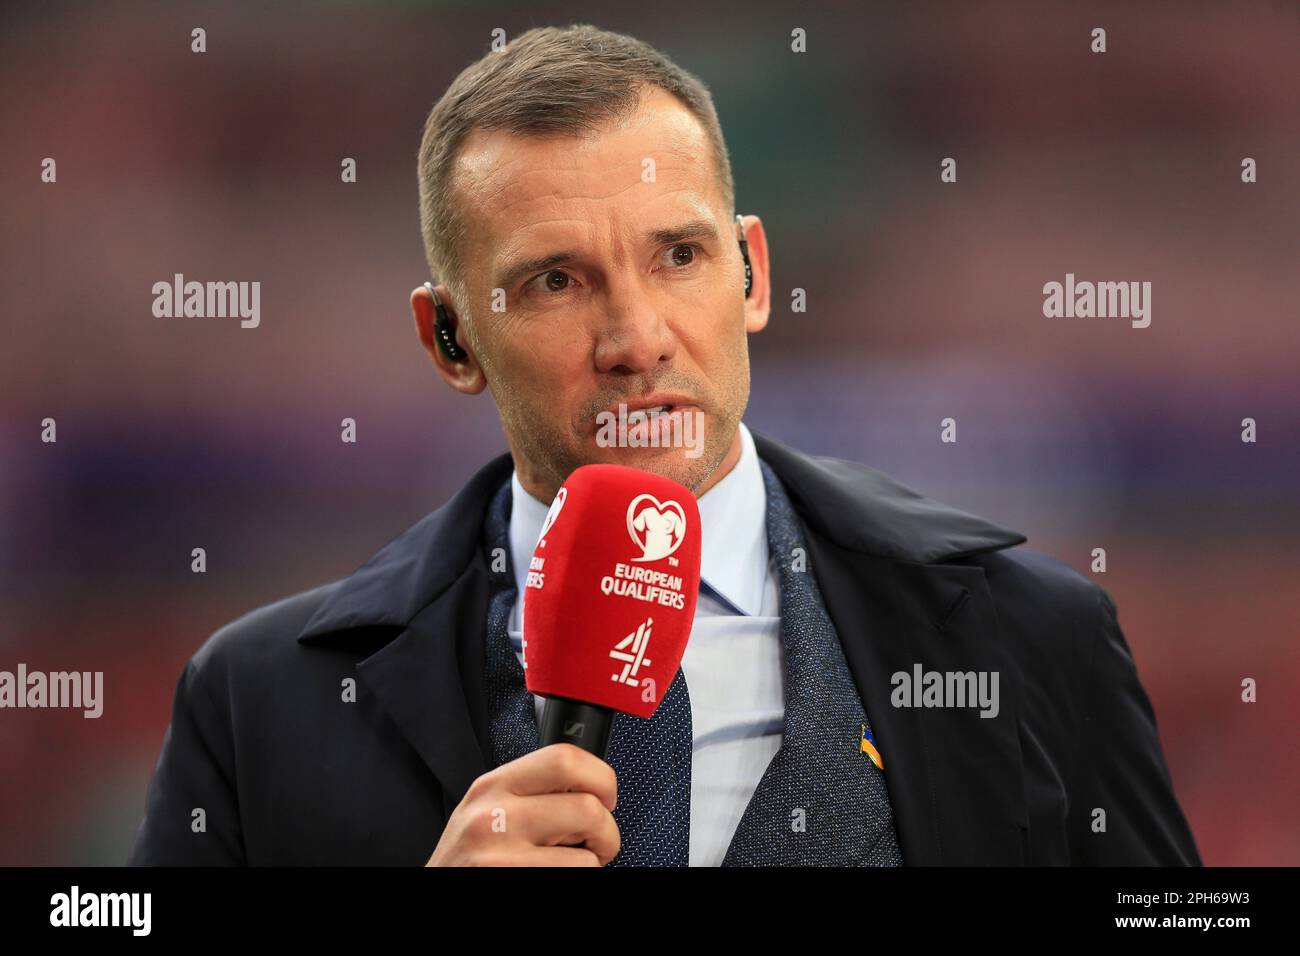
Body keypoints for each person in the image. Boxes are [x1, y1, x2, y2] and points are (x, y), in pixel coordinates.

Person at [128, 23, 1200, 867]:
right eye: (555, 280)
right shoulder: (259, 701)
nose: (636, 341)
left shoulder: (1030, 637)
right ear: (449, 337)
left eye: (678, 255)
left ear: (752, 274)